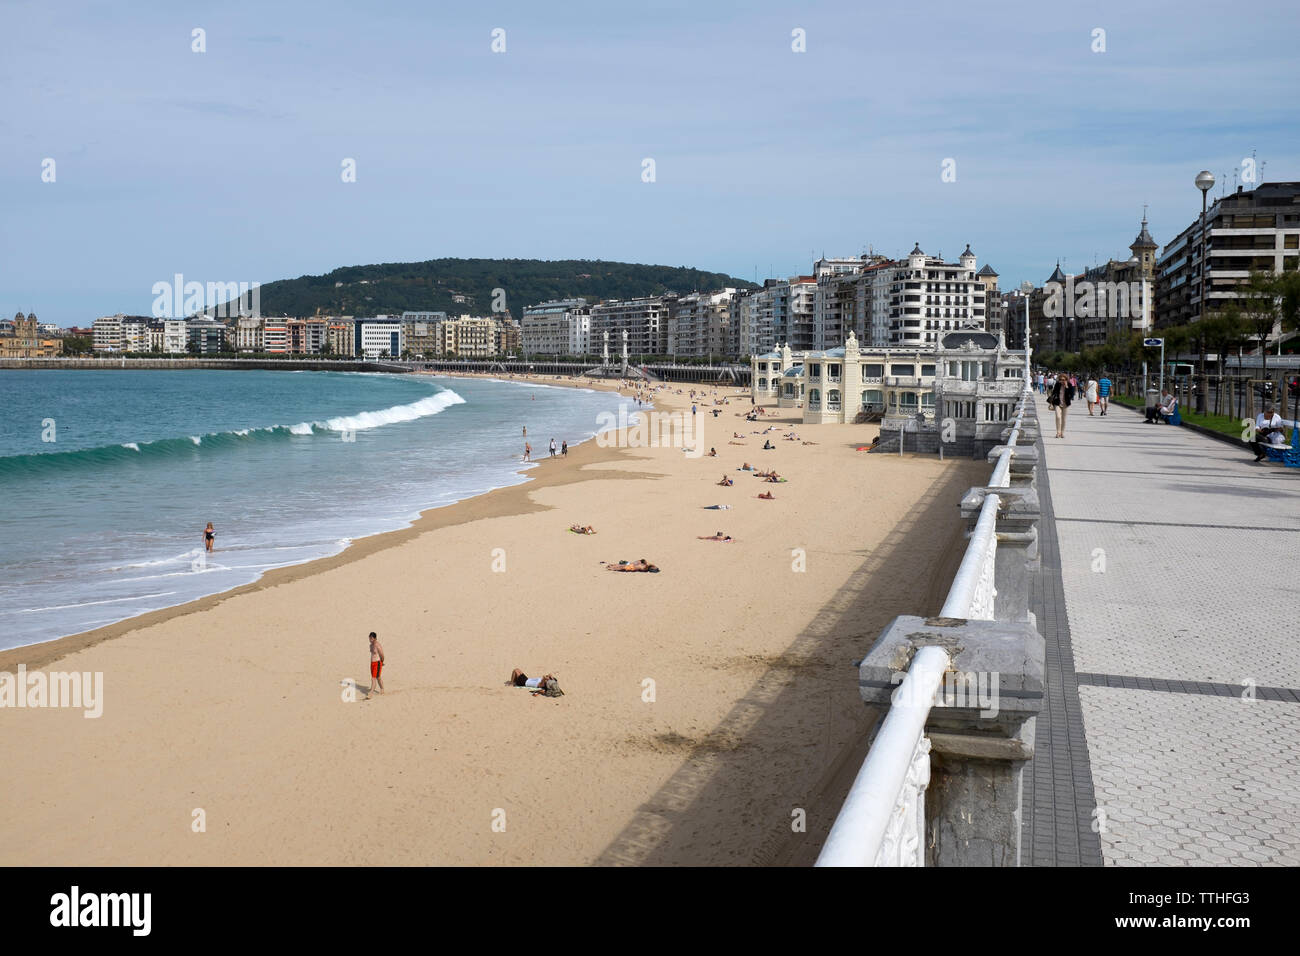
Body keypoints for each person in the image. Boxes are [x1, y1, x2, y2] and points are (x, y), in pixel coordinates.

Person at [1047, 373, 1072, 438]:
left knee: (1064, 419)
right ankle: (1058, 432)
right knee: (1058, 417)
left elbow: (1071, 395)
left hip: (1065, 404)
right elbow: (1053, 392)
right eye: (1060, 379)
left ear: (1066, 379)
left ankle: (1062, 433)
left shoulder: (1069, 385)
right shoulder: (1057, 384)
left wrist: (1066, 387)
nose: (1062, 381)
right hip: (1057, 403)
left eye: (1063, 380)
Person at [366, 631, 385, 699]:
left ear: (374, 638)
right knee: (378, 677)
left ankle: (370, 693)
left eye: (371, 638)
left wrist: (382, 662)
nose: (370, 640)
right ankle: (382, 689)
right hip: (372, 663)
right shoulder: (371, 645)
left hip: (377, 663)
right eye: (369, 638)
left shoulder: (377, 645)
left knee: (373, 678)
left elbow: (382, 655)